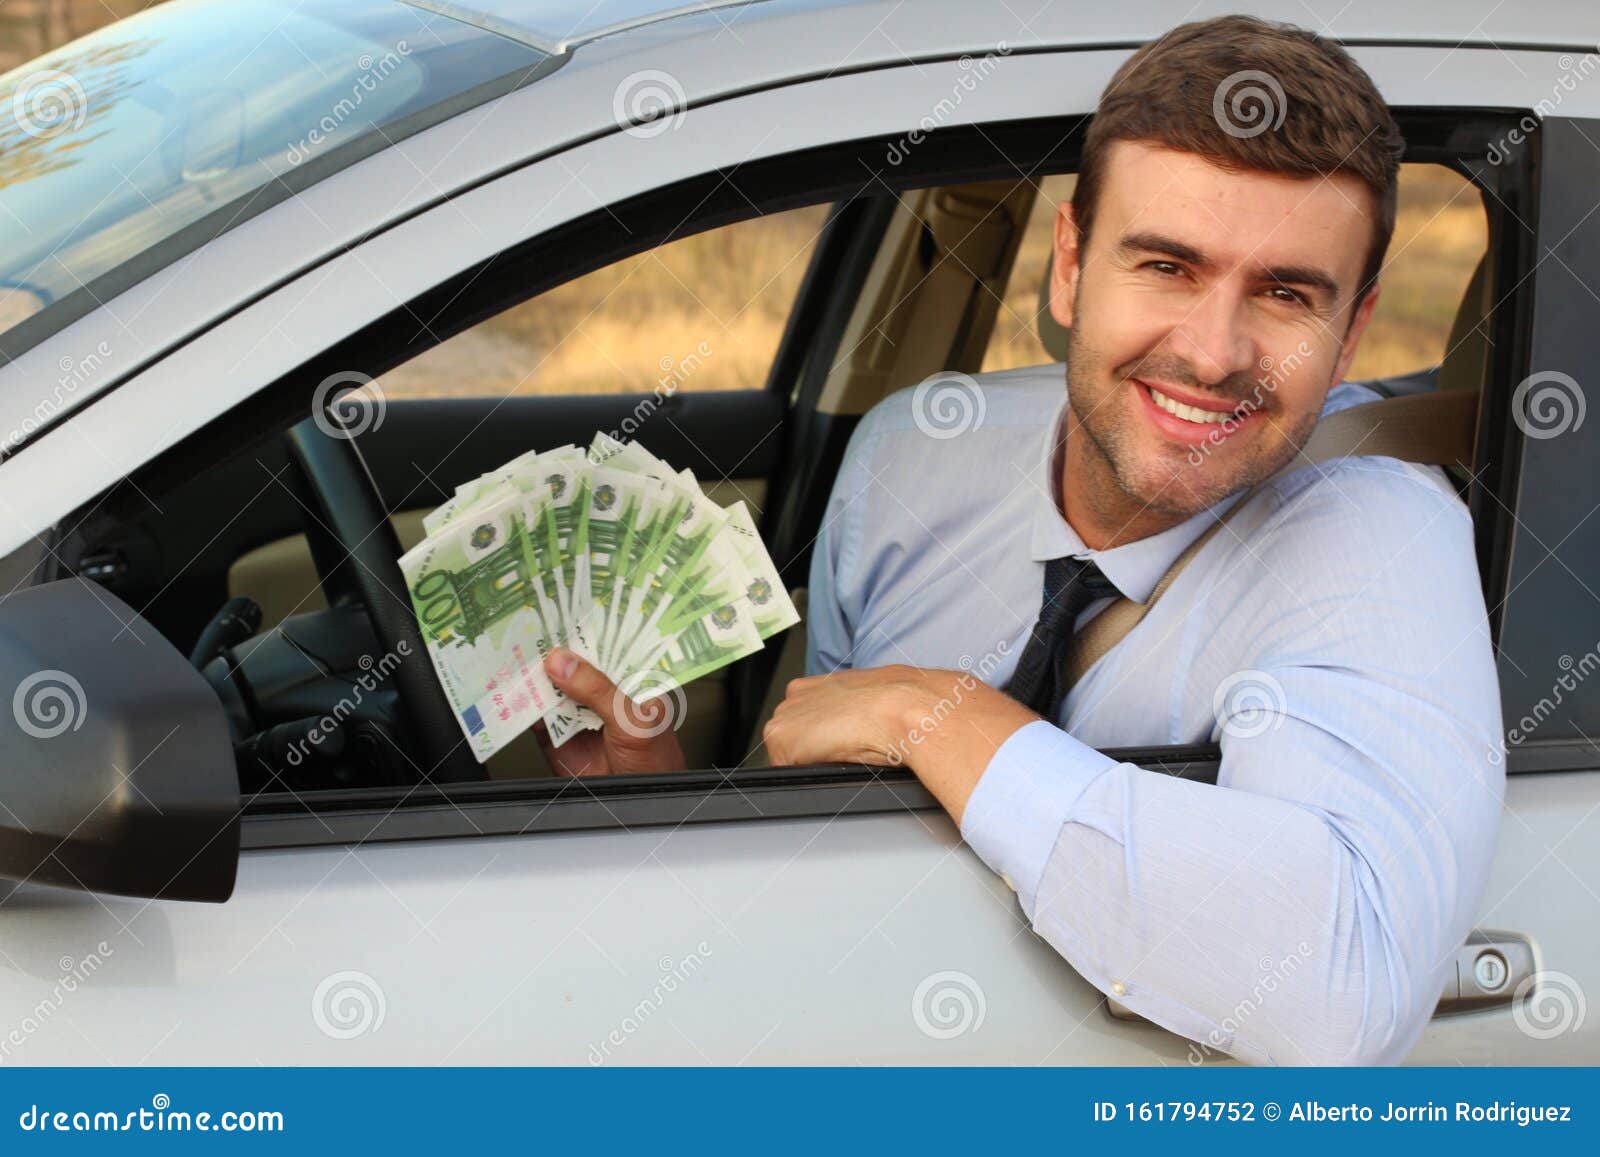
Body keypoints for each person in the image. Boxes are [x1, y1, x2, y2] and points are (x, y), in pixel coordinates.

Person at [539, 14, 1505, 1065]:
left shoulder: (1383, 534)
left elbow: (1341, 989)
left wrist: (934, 712)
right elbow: (830, 841)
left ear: (1352, 330)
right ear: (1071, 267)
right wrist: (645, 800)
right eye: (1168, 266)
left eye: (1284, 294)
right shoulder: (910, 456)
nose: (1213, 352)